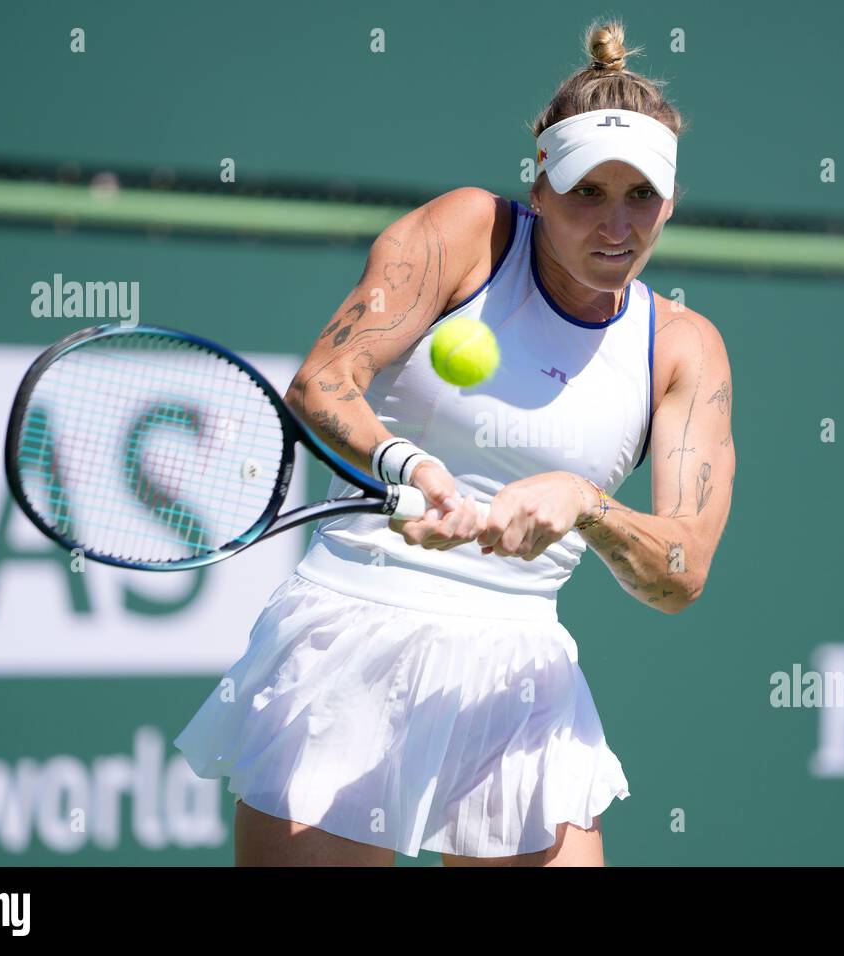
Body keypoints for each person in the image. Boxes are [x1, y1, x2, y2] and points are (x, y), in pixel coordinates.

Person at [174, 18, 734, 867]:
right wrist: (411, 464)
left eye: (640, 197)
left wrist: (585, 505)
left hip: (523, 669)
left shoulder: (684, 347)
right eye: (588, 192)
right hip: (354, 632)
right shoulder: (468, 231)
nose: (616, 225)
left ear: (671, 200)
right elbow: (321, 382)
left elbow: (680, 575)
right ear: (539, 186)